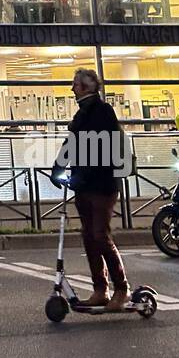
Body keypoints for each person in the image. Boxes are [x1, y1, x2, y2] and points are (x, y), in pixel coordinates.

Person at [57, 68, 129, 309]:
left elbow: (100, 152)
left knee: (100, 235)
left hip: (102, 184)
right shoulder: (81, 114)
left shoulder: (102, 112)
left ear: (86, 87)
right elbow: (72, 143)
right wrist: (57, 167)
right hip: (84, 185)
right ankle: (100, 288)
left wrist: (81, 176)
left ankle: (121, 289)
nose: (72, 88)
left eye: (75, 84)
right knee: (89, 236)